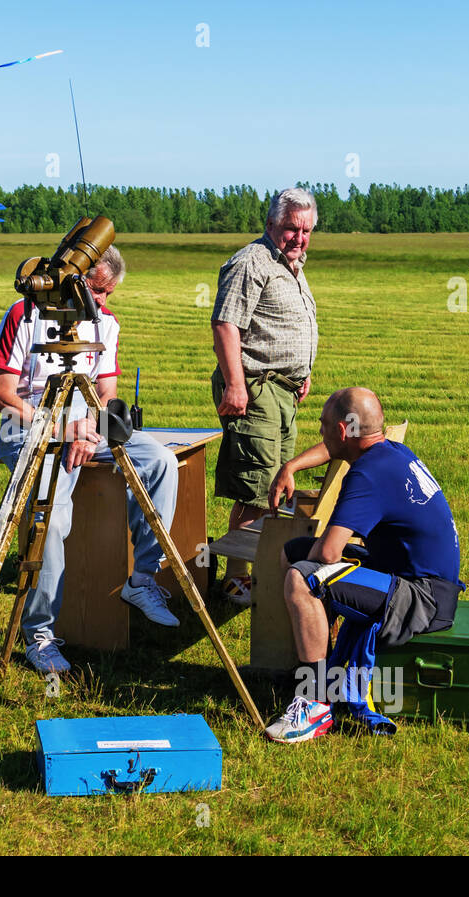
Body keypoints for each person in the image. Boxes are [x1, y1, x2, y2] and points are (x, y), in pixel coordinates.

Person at [0, 246, 181, 674]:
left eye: (110, 293)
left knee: (161, 464)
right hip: (26, 424)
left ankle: (142, 578)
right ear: (73, 283)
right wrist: (58, 430)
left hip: (86, 422)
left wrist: (90, 428)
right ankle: (39, 633)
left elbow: (107, 392)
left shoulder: (106, 324)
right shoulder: (24, 314)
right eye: (97, 290)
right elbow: (2, 394)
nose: (103, 302)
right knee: (52, 519)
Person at [263, 387, 465, 743]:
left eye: (323, 424)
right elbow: (332, 448)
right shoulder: (389, 452)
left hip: (420, 599)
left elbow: (328, 553)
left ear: (343, 430)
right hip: (411, 579)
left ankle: (315, 705)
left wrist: (317, 580)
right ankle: (313, 668)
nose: (320, 431)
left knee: (303, 578)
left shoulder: (366, 476)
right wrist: (291, 466)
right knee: (295, 550)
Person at [210, 187, 319, 606]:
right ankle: (237, 579)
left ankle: (261, 571)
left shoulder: (292, 265)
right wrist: (236, 384)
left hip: (282, 390)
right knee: (256, 488)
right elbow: (225, 325)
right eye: (292, 228)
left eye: (307, 230)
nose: (300, 237)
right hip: (255, 388)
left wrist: (301, 373)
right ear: (272, 223)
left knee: (277, 484)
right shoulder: (251, 261)